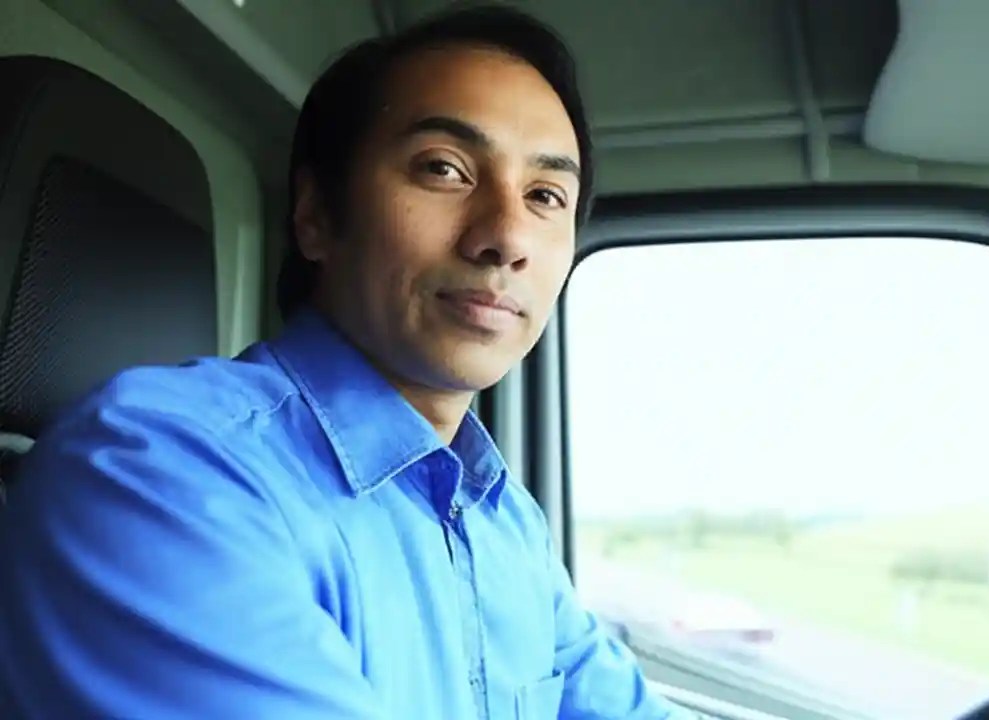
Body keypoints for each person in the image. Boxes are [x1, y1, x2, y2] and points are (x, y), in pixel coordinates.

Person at [0, 5, 685, 719]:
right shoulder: (156, 473)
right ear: (317, 215)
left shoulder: (503, 520)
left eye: (546, 196)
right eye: (444, 169)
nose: (508, 236)